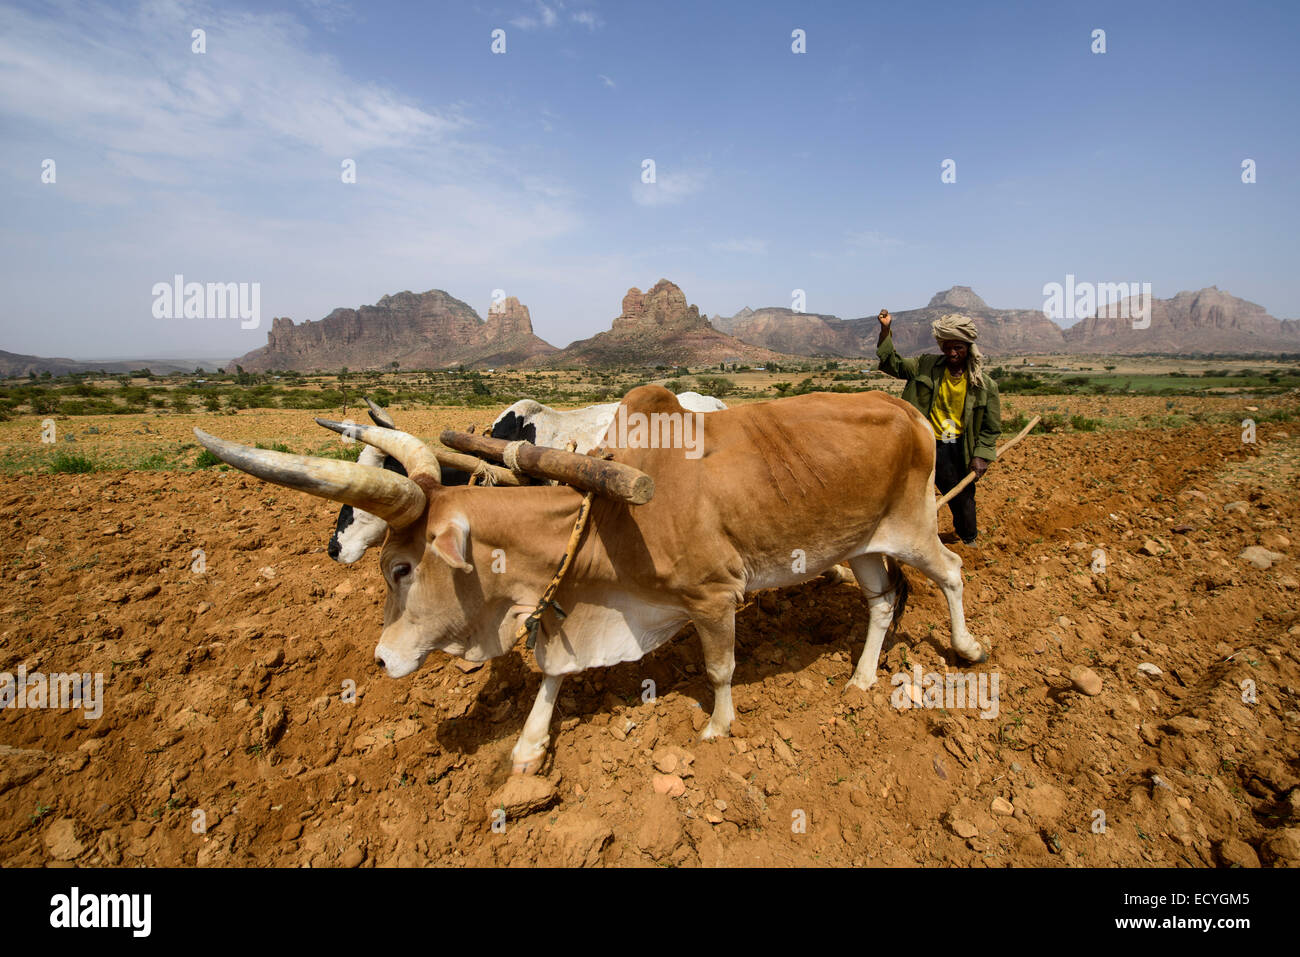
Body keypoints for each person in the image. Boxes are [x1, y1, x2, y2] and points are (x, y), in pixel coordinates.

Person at [876, 308, 1001, 545]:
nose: (952, 353)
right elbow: (893, 364)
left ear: (968, 347)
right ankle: (908, 539)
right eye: (947, 347)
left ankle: (968, 538)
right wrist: (885, 330)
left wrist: (981, 456)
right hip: (922, 442)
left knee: (962, 496)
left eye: (958, 348)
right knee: (909, 493)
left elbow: (990, 428)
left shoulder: (984, 386)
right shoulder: (926, 366)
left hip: (955, 446)